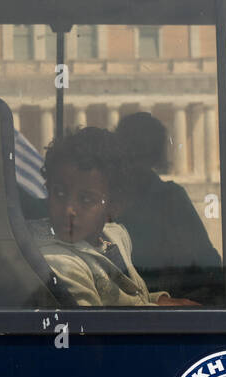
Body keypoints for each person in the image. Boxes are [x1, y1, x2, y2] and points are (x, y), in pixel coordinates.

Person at [29, 126, 196, 306]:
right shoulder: (59, 262)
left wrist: (159, 300)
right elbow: (92, 326)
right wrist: (156, 310)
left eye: (86, 199)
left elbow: (130, 297)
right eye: (60, 193)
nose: (69, 209)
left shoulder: (114, 235)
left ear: (114, 207)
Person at [114, 111, 220, 298]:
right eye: (133, 150)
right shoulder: (103, 201)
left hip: (171, 302)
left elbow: (207, 264)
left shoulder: (171, 198)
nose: (136, 160)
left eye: (142, 151)